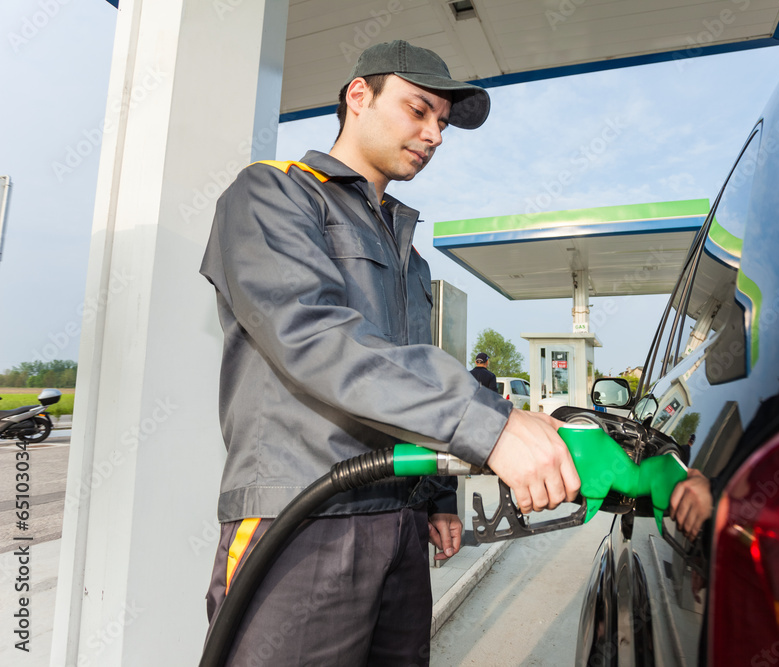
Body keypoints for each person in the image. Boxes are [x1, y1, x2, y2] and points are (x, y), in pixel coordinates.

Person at [199, 40, 581, 665]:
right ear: (359, 96)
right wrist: (491, 426)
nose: (434, 134)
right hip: (303, 517)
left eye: (442, 123)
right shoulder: (273, 196)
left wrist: (434, 497)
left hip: (398, 523)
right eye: (418, 109)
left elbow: (404, 367)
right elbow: (314, 336)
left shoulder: (411, 255)